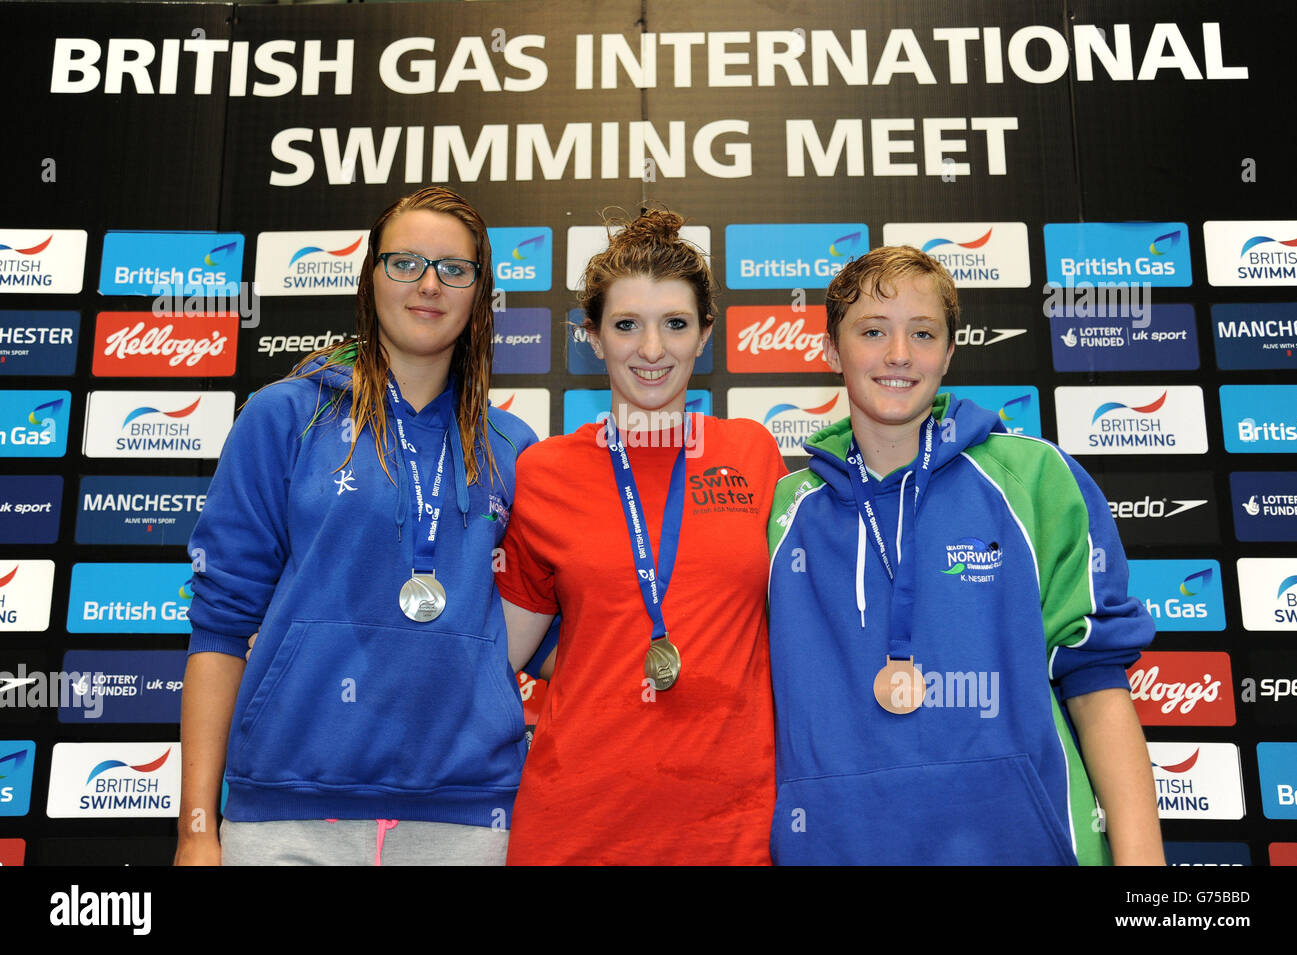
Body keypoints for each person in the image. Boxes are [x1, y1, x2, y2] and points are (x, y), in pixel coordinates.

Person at [766, 245, 1164, 865]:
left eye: (922, 333)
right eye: (873, 331)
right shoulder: (784, 513)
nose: (899, 354)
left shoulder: (1033, 479)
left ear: (950, 352)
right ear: (829, 350)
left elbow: (1098, 685)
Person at [175, 186, 536, 866]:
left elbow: (550, 628)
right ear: (369, 277)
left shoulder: (513, 448)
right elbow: (220, 626)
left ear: (480, 296)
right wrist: (197, 828)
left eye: (454, 269)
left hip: (467, 819)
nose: (429, 284)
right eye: (406, 263)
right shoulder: (284, 416)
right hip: (287, 814)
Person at [498, 209, 786, 865]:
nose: (651, 349)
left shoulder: (754, 453)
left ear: (705, 333)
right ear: (592, 336)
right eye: (626, 324)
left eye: (675, 324)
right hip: (576, 827)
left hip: (732, 832)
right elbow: (499, 655)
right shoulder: (544, 471)